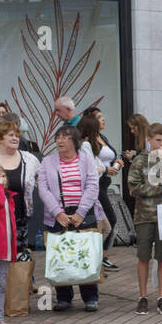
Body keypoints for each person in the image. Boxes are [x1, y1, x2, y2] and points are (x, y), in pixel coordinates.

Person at [37, 124, 101, 312]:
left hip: (83, 213)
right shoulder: (47, 162)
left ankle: (90, 297)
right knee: (60, 255)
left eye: (65, 136)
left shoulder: (86, 160)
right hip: (58, 214)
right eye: (58, 137)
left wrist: (81, 212)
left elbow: (92, 185)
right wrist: (58, 212)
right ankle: (63, 297)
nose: (60, 140)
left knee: (85, 254)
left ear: (75, 140)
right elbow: (43, 189)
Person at [127, 122, 162, 315]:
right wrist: (160, 188)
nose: (161, 144)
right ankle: (142, 296)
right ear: (149, 139)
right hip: (144, 215)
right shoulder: (140, 160)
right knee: (143, 257)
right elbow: (134, 188)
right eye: (158, 140)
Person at [76, 110, 122, 270]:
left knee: (104, 225)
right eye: (99, 119)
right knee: (104, 224)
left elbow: (98, 164)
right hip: (93, 188)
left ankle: (97, 260)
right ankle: (94, 259)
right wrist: (104, 168)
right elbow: (93, 167)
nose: (103, 121)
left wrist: (110, 166)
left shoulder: (98, 140)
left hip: (100, 185)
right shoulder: (86, 144)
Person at [0, 120, 39, 261]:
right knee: (0, 259)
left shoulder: (29, 159)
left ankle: (25, 283)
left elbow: (44, 180)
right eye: (10, 135)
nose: (15, 138)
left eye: (17, 135)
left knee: (21, 259)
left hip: (20, 218)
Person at [0, 166, 18, 324]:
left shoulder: (7, 195)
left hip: (4, 247)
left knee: (1, 284)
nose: (2, 179)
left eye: (3, 176)